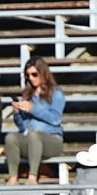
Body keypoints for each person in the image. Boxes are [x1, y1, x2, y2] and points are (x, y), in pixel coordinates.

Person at [4, 57, 65, 185]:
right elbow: (23, 127)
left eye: (34, 74)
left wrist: (33, 109)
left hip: (51, 139)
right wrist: (17, 114)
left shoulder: (56, 93)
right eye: (28, 75)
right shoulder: (28, 95)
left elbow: (55, 119)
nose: (31, 78)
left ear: (43, 73)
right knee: (11, 137)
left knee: (34, 135)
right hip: (31, 139)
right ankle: (13, 177)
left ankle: (32, 176)